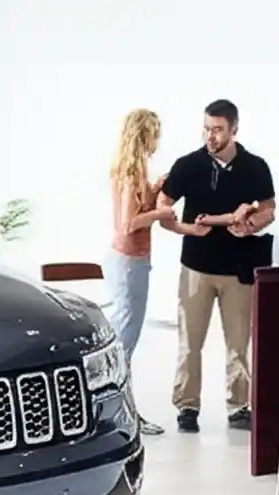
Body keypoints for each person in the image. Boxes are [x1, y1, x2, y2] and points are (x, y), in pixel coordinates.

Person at [157, 99, 276, 433]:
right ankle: (187, 407)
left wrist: (252, 224)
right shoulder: (187, 165)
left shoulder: (255, 166)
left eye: (218, 130)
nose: (211, 136)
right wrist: (186, 228)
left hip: (239, 269)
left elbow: (269, 210)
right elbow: (163, 207)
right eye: (207, 128)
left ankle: (239, 407)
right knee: (189, 342)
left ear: (234, 129)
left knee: (239, 345)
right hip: (196, 267)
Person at [105, 109, 178, 435]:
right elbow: (128, 223)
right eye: (154, 134)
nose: (157, 141)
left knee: (126, 340)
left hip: (134, 260)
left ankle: (125, 413)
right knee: (124, 343)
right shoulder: (130, 173)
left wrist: (154, 191)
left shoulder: (133, 171)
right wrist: (160, 211)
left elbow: (136, 211)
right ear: (143, 135)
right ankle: (121, 415)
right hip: (129, 262)